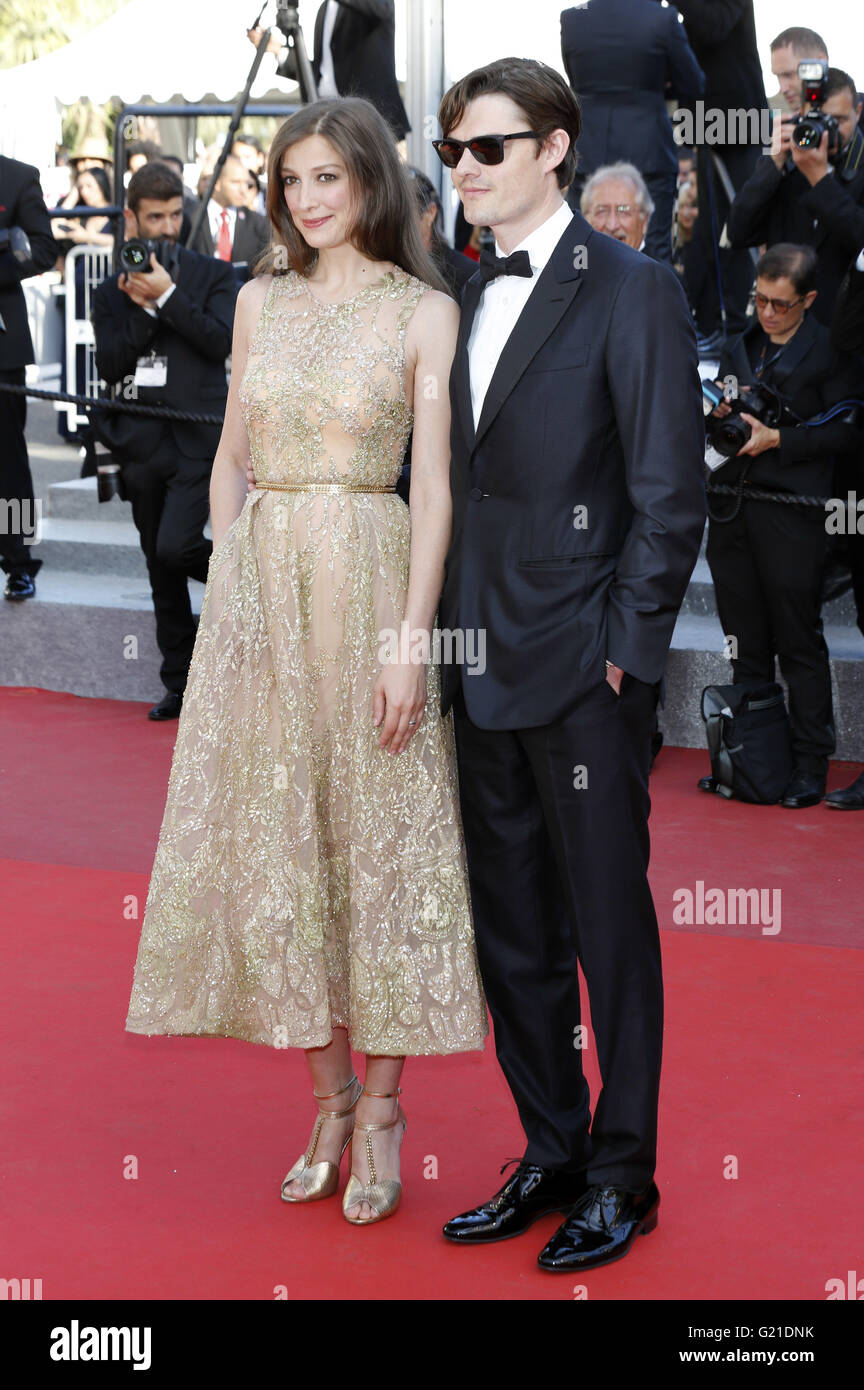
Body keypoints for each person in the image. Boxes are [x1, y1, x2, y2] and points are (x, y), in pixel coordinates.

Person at [126, 97, 488, 1226]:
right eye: (293, 182)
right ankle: (327, 1098)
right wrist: (233, 577)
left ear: (372, 180)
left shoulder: (425, 313)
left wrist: (410, 642)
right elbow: (229, 455)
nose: (311, 199)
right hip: (264, 599)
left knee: (377, 842)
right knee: (287, 844)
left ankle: (383, 1109)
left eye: (330, 177)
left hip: (371, 581)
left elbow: (431, 488)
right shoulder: (256, 302)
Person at [430, 57, 706, 1272]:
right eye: (452, 153)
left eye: (487, 148)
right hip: (474, 657)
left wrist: (627, 658)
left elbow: (668, 493)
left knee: (607, 930)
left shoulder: (633, 289)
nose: (466, 172)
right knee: (513, 933)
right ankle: (550, 1146)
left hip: (584, 668)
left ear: (552, 148)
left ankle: (623, 1170)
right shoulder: (455, 292)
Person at [703, 243, 863, 808]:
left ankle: (809, 765)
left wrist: (781, 439)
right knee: (744, 644)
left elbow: (848, 431)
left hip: (794, 516)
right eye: (761, 300)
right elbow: (719, 419)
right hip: (730, 511)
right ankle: (753, 757)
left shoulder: (828, 351)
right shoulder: (739, 344)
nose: (767, 313)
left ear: (809, 299)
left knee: (798, 643)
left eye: (780, 304)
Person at [92, 163, 238, 720]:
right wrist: (144, 307)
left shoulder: (213, 275)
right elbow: (109, 365)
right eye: (155, 217)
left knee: (175, 548)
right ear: (131, 218)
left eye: (175, 214)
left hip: (200, 437)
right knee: (157, 564)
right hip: (140, 442)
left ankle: (244, 585)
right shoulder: (110, 291)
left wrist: (169, 295)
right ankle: (180, 682)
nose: (167, 227)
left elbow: (220, 340)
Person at [560, 0, 703, 264]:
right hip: (648, 149)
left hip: (588, 152)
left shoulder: (571, 20)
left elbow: (577, 84)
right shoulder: (663, 18)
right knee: (654, 251)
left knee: (582, 254)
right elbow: (693, 83)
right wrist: (657, 86)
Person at [727, 68, 864, 328]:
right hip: (784, 332)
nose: (827, 131)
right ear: (800, 113)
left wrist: (820, 181)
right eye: (820, 120)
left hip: (845, 333)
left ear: (858, 112)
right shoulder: (787, 162)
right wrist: (772, 164)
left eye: (838, 120)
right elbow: (738, 232)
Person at [675, 0, 767, 337]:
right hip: (704, 121)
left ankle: (740, 331)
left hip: (738, 120)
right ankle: (712, 324)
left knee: (738, 226)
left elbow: (714, 26)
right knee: (710, 228)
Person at [0, 156, 57, 600]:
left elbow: (43, 248)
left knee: (9, 459)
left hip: (2, 345)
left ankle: (18, 560)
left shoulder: (18, 177)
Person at [248, 1, 409, 143]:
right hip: (330, 119)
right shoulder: (324, 10)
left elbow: (381, 8)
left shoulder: (369, 5)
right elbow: (322, 74)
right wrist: (278, 51)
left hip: (370, 123)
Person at [189, 154, 270, 281]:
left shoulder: (258, 224)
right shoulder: (191, 218)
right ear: (217, 183)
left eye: (246, 183)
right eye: (236, 182)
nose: (244, 190)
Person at [580, 162, 654, 250]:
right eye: (602, 211)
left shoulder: (656, 264)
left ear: (644, 221)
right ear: (585, 219)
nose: (612, 225)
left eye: (623, 211)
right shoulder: (570, 262)